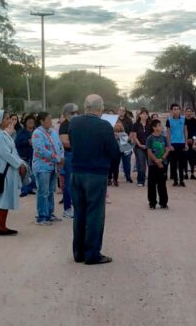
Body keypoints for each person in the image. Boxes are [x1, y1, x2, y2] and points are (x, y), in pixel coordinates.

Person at [70, 94, 119, 265]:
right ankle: (92, 254)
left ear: (85, 107)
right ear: (100, 108)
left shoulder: (74, 123)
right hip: (96, 173)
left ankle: (79, 252)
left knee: (80, 213)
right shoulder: (104, 125)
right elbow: (114, 152)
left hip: (77, 172)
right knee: (95, 215)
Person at [0, 110, 29, 236]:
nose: (9, 121)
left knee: (6, 199)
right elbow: (5, 154)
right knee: (3, 200)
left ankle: (3, 226)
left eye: (9, 118)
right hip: (2, 171)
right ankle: (1, 228)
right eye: (6, 119)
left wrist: (20, 163)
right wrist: (19, 163)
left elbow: (13, 151)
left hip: (9, 170)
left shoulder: (4, 134)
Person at [32, 112, 64, 225]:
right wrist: (57, 158)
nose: (51, 121)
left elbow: (59, 146)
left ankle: (50, 213)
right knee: (43, 192)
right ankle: (42, 217)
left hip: (53, 167)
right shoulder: (37, 133)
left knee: (51, 192)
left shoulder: (53, 132)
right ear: (41, 121)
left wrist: (61, 158)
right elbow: (40, 150)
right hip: (42, 167)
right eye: (49, 119)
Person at [59, 103, 79, 219]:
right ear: (66, 114)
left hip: (77, 155)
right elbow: (65, 142)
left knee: (77, 183)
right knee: (69, 183)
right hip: (69, 155)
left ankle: (76, 207)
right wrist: (80, 144)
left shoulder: (76, 124)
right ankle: (67, 209)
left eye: (77, 112)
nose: (75, 114)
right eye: (73, 113)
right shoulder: (64, 125)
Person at [147, 119, 171, 209]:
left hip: (163, 163)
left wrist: (162, 159)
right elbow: (149, 151)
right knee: (152, 183)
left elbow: (167, 149)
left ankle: (163, 203)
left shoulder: (163, 138)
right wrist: (156, 161)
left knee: (162, 183)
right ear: (154, 128)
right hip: (152, 164)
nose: (162, 127)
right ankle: (152, 203)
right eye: (159, 125)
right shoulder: (150, 138)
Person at [166, 103, 188, 187]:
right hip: (173, 144)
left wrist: (186, 143)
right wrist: (169, 145)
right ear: (171, 111)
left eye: (177, 109)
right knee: (173, 163)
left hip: (181, 143)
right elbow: (168, 133)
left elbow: (185, 131)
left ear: (180, 110)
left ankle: (182, 180)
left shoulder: (183, 119)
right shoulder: (169, 120)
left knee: (182, 163)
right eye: (174, 109)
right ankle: (175, 180)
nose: (176, 111)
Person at [16, 114, 37, 197]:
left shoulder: (36, 132)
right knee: (24, 173)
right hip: (24, 156)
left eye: (32, 122)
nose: (31, 123)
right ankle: (24, 190)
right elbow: (17, 143)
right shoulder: (21, 132)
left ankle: (30, 188)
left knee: (32, 173)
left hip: (34, 156)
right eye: (29, 122)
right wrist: (27, 142)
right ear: (26, 123)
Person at [131, 108, 151, 187]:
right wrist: (140, 145)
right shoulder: (136, 125)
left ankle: (151, 180)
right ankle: (140, 181)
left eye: (146, 114)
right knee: (141, 164)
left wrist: (148, 145)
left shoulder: (150, 124)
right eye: (143, 114)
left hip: (149, 147)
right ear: (140, 115)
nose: (144, 115)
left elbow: (152, 136)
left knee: (150, 164)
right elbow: (135, 137)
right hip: (139, 147)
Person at [184, 107, 196, 180]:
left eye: (190, 111)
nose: (189, 113)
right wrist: (186, 140)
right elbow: (182, 131)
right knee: (185, 158)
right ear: (185, 112)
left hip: (193, 141)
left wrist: (192, 138)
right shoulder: (182, 120)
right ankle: (185, 173)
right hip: (184, 141)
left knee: (193, 157)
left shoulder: (195, 121)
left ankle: (192, 173)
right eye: (187, 111)